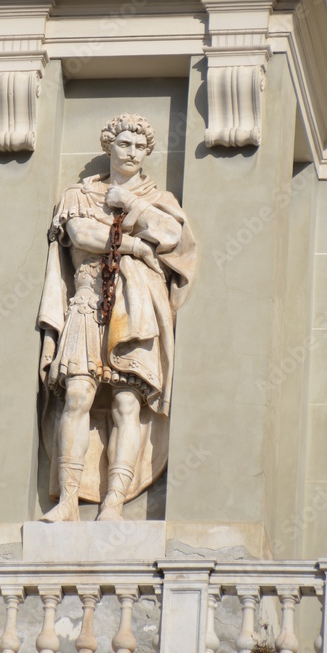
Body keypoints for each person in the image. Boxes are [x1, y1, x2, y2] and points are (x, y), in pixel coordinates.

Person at [38, 113, 197, 522]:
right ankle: (68, 499)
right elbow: (81, 236)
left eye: (139, 147)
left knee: (128, 402)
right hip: (87, 301)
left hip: (137, 304)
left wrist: (132, 205)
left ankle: (114, 501)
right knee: (77, 395)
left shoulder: (157, 199)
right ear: (109, 146)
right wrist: (137, 246)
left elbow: (172, 236)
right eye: (124, 144)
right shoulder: (79, 194)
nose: (131, 152)